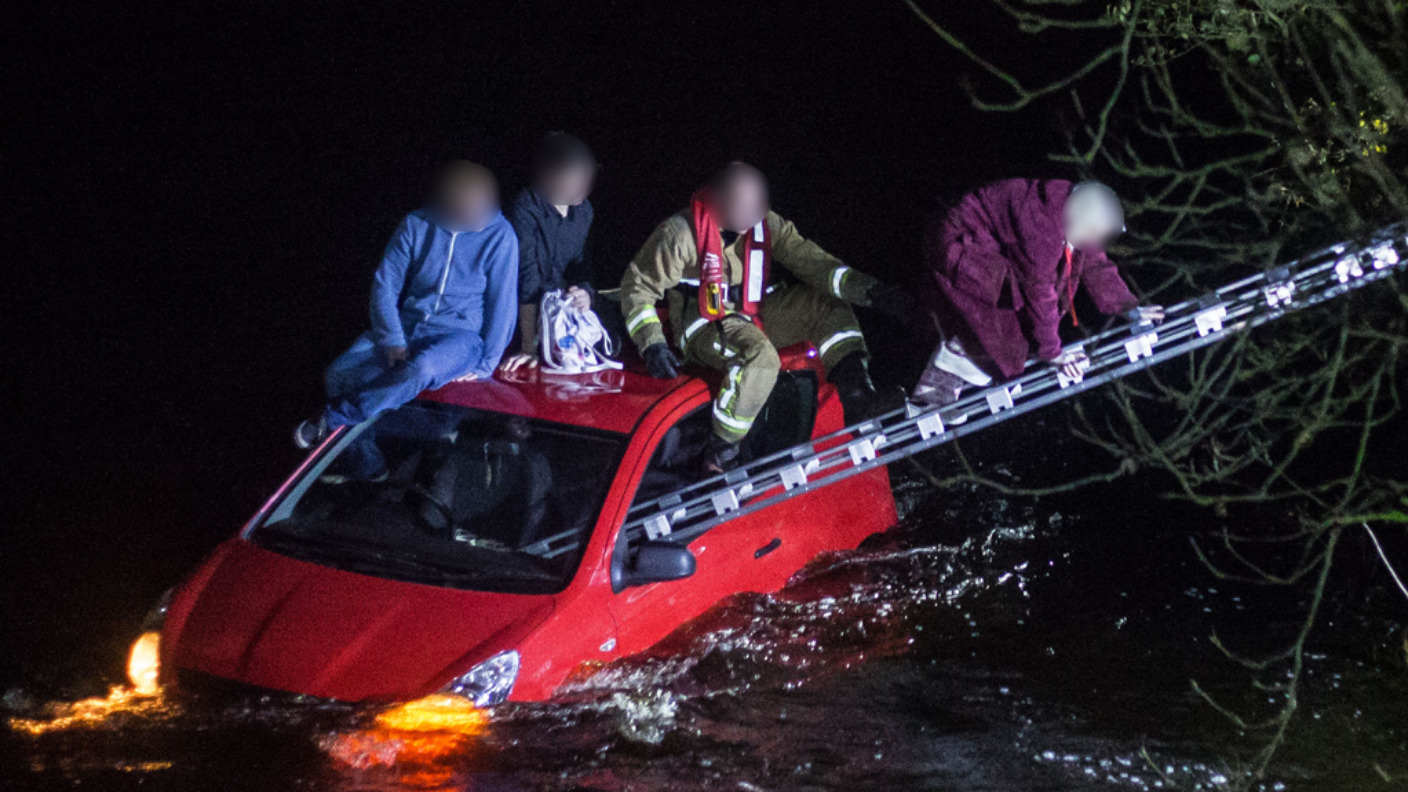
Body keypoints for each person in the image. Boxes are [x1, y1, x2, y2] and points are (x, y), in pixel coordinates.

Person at [620, 162, 910, 471]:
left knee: (828, 307)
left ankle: (859, 400)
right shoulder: (680, 233)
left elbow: (815, 264)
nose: (752, 214)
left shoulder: (766, 224)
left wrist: (873, 292)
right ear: (716, 199)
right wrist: (652, 344)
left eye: (757, 205)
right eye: (741, 205)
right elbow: (638, 287)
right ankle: (721, 450)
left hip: (754, 308)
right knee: (760, 357)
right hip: (705, 319)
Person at [294, 160, 519, 449]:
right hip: (408, 325)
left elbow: (502, 303)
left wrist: (487, 362)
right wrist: (393, 338)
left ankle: (333, 418)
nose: (480, 216)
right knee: (338, 374)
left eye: (483, 207)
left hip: (460, 337)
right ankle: (369, 468)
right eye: (468, 209)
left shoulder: (501, 236)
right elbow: (385, 285)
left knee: (421, 368)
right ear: (444, 206)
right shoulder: (416, 223)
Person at [912, 179, 1165, 406]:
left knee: (1026, 321)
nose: (1087, 242)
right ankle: (955, 360)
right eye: (1087, 234)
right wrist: (1053, 353)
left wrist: (1129, 309)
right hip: (958, 248)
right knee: (1014, 310)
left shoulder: (1074, 214)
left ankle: (950, 377)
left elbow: (1097, 265)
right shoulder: (1041, 225)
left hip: (986, 248)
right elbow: (1039, 291)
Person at [500, 133, 598, 372]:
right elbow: (528, 277)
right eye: (572, 178)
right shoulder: (525, 206)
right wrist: (528, 347)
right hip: (521, 315)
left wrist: (584, 293)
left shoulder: (584, 211)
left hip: (560, 312)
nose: (580, 186)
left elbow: (580, 264)